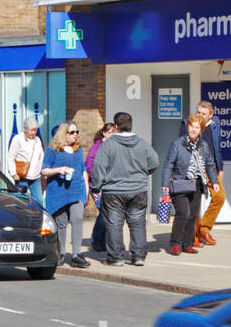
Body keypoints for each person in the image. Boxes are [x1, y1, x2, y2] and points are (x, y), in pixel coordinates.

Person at [89, 111, 159, 266]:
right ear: (131, 125)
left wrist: (95, 188)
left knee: (114, 224)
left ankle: (116, 257)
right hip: (138, 189)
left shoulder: (108, 145)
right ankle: (138, 256)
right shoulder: (142, 143)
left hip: (114, 191)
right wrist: (143, 173)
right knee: (137, 223)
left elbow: (99, 168)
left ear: (115, 126)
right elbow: (154, 161)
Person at [162, 116, 214, 255]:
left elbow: (209, 164)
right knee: (183, 213)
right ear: (188, 127)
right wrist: (165, 183)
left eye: (197, 127)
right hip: (180, 181)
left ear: (201, 130)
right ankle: (175, 243)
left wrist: (214, 182)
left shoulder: (203, 145)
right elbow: (169, 165)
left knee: (192, 216)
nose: (194, 129)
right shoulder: (177, 144)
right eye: (192, 126)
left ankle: (187, 244)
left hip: (197, 183)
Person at [40, 122, 90, 268]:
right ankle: (61, 253)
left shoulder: (78, 149)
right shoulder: (52, 149)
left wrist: (86, 191)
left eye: (77, 132)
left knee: (77, 220)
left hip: (77, 190)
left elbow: (83, 170)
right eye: (72, 132)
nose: (76, 135)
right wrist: (59, 169)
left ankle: (76, 254)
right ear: (64, 134)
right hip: (58, 192)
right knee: (61, 224)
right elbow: (44, 171)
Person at [194, 99, 225, 246]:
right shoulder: (190, 125)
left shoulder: (215, 124)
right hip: (195, 168)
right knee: (195, 202)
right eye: (198, 112)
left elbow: (217, 147)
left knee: (219, 197)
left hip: (212, 169)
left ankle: (204, 229)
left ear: (211, 114)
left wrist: (221, 168)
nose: (200, 115)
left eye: (203, 113)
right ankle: (194, 235)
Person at [85, 122, 117, 251]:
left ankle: (102, 240)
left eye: (114, 133)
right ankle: (97, 240)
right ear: (104, 133)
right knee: (105, 212)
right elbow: (89, 165)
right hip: (98, 185)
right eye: (110, 133)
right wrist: (98, 179)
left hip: (110, 185)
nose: (112, 135)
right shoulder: (96, 147)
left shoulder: (114, 147)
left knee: (107, 213)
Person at [6, 117, 46, 201]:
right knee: (20, 201)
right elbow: (11, 157)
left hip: (36, 177)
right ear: (25, 129)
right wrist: (13, 173)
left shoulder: (37, 140)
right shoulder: (17, 139)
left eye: (35, 130)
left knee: (38, 200)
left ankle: (36, 214)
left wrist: (42, 170)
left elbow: (41, 156)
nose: (33, 133)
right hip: (22, 176)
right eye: (31, 130)